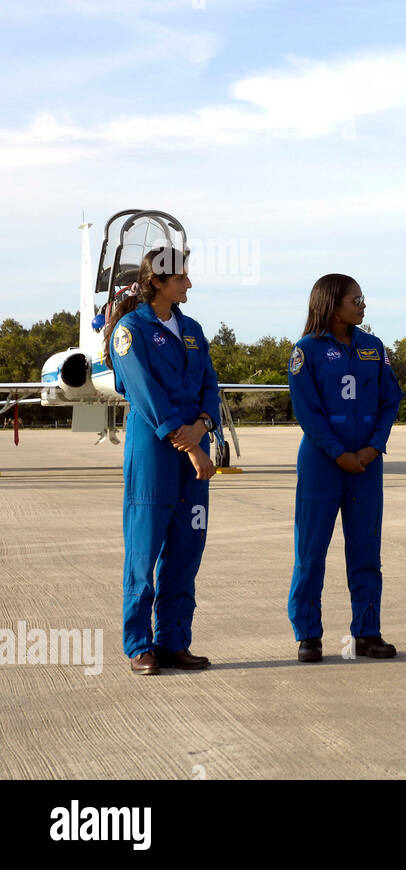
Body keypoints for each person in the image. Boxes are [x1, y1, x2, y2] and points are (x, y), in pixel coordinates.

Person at [106, 244, 219, 675]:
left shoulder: (192, 329)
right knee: (144, 550)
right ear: (157, 282)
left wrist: (203, 427)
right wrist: (189, 444)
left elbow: (210, 384)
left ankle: (173, 640)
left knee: (187, 548)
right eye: (181, 278)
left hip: (195, 450)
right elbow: (145, 393)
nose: (188, 283)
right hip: (157, 451)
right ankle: (139, 645)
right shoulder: (129, 330)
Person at [287, 274, 403, 662]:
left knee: (367, 551)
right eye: (357, 299)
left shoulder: (373, 347)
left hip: (366, 466)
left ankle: (367, 632)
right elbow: (308, 412)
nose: (363, 304)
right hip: (323, 463)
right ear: (333, 305)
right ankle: (308, 635)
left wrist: (373, 448)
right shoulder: (306, 351)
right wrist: (339, 453)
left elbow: (390, 400)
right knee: (311, 552)